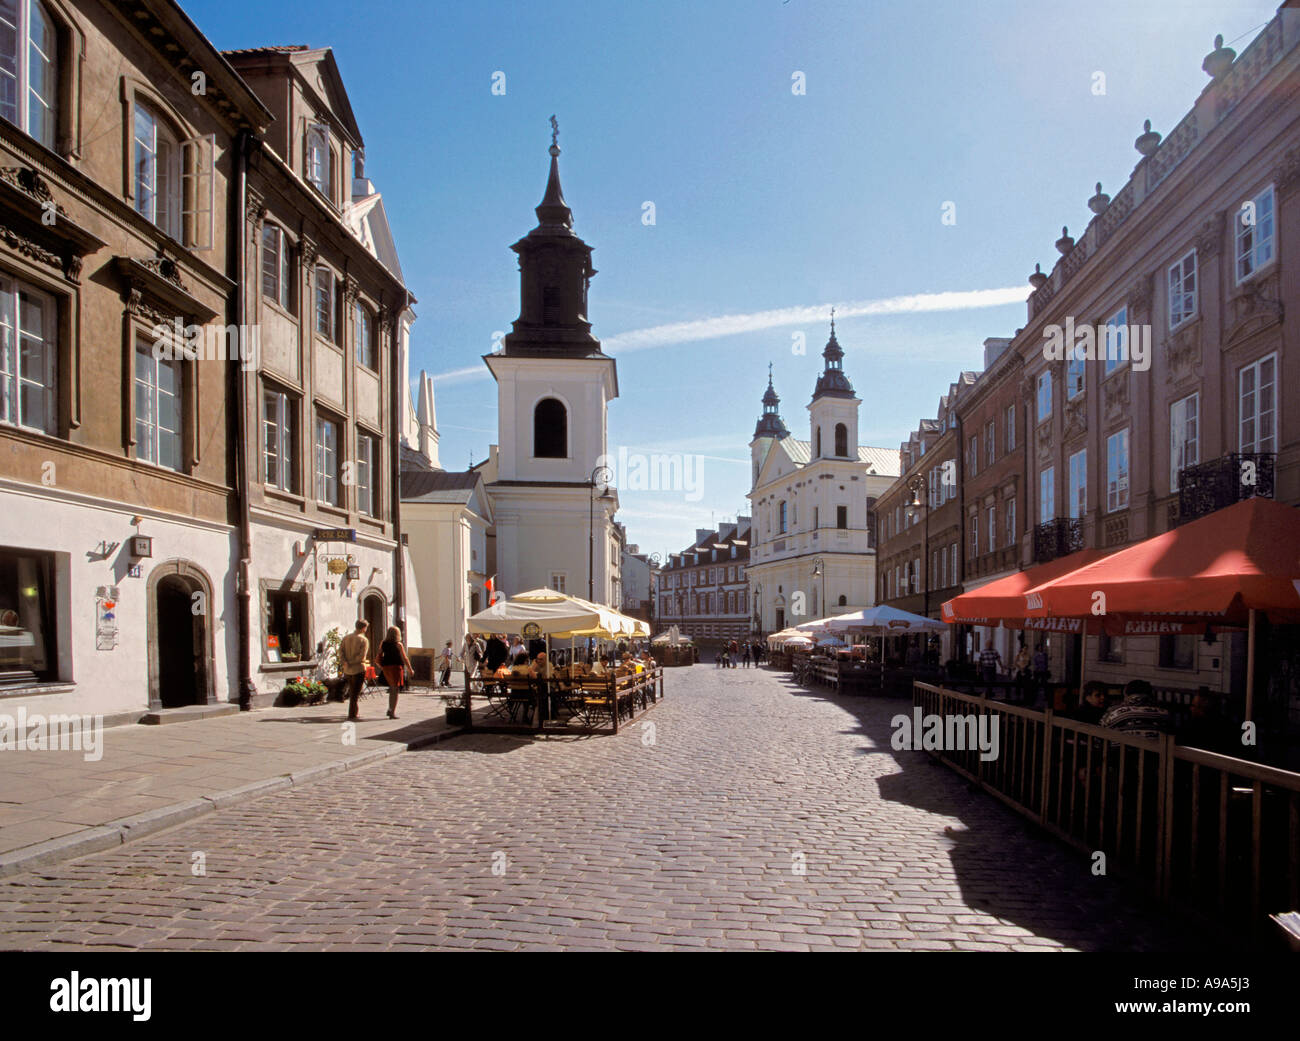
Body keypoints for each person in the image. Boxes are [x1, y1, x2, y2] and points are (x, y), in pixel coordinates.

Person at [1100, 680, 1173, 742]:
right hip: (1156, 757)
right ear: (1150, 694)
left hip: (1121, 755)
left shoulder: (1115, 712)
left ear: (1126, 694)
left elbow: (1101, 732)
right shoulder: (1165, 713)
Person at [378, 626, 413, 720]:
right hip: (396, 668)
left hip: (386, 667)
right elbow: (404, 658)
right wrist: (410, 669)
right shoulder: (398, 644)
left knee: (391, 688)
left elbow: (379, 656)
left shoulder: (383, 643)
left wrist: (381, 666)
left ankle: (390, 709)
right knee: (395, 690)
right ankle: (392, 711)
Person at [340, 620, 370, 721]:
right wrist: (352, 662)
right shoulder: (364, 640)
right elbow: (362, 656)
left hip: (347, 669)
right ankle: (352, 714)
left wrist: (345, 661)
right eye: (366, 628)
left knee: (352, 691)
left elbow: (341, 651)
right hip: (358, 669)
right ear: (363, 628)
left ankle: (352, 712)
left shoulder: (346, 638)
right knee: (355, 693)